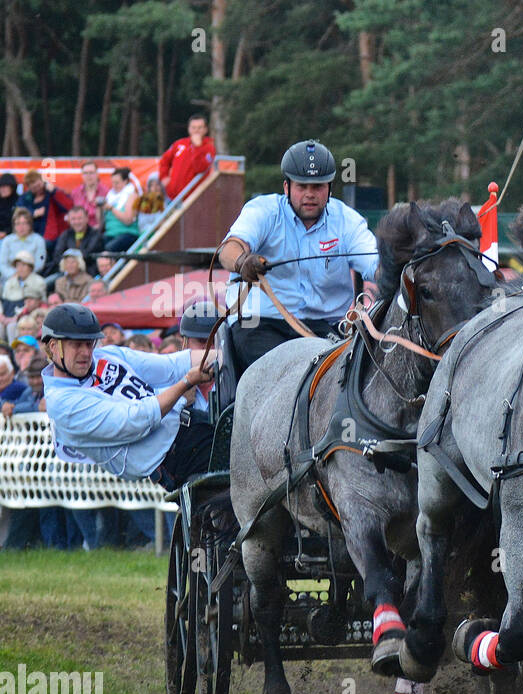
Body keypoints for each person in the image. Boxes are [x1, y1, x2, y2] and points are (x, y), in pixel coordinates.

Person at [217, 139, 378, 369]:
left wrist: (400, 269)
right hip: (261, 325)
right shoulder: (263, 211)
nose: (310, 194)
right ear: (286, 187)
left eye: (318, 187)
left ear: (330, 188)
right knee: (283, 373)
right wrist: (243, 262)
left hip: (326, 329)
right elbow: (228, 250)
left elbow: (376, 263)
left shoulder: (347, 221)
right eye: (302, 186)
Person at [39, 303, 216, 490]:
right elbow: (136, 420)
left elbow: (170, 366)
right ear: (54, 347)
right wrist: (186, 383)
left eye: (89, 343)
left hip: (196, 427)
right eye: (76, 345)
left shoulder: (106, 355)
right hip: (179, 460)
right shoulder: (62, 403)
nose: (86, 352)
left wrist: (225, 352)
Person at [17, 170, 74, 261]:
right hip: (31, 234)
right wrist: (33, 213)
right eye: (32, 186)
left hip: (52, 235)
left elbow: (69, 206)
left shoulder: (52, 193)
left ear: (42, 181)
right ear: (29, 187)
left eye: (37, 183)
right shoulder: (26, 198)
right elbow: (18, 211)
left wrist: (55, 191)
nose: (36, 187)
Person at [159, 114, 216, 200]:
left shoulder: (209, 148)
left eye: (200, 127)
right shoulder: (179, 143)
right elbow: (164, 160)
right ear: (189, 129)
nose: (196, 130)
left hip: (193, 199)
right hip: (171, 196)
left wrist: (197, 147)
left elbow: (200, 168)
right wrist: (164, 177)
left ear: (205, 129)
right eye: (193, 127)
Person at [101, 167, 141, 253]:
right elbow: (101, 223)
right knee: (95, 246)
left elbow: (128, 220)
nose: (114, 186)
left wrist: (111, 208)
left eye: (117, 183)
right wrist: (99, 208)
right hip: (109, 234)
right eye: (113, 183)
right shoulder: (110, 197)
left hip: (127, 235)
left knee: (109, 250)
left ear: (125, 181)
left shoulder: (132, 196)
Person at [0, 208, 46, 280]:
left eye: (24, 223)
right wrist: (14, 275)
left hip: (32, 278)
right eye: (18, 223)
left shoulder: (39, 240)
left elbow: (40, 261)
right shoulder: (7, 241)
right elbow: (2, 264)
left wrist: (25, 274)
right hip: (9, 278)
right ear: (14, 225)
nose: (21, 227)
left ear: (30, 224)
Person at [2, 250, 45, 317]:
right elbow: (4, 302)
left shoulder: (39, 281)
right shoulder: (9, 283)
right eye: (18, 265)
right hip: (8, 315)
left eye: (24, 265)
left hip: (31, 316)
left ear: (30, 267)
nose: (20, 268)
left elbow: (43, 303)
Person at [69, 161, 110, 230]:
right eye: (85, 173)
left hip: (101, 231)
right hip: (80, 231)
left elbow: (109, 216)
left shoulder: (106, 192)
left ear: (97, 174)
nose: (88, 176)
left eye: (91, 173)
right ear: (82, 175)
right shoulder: (75, 192)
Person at [0, 173, 17, 237]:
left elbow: (20, 222)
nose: (2, 189)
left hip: (13, 235)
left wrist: (6, 232)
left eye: (5, 186)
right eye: (1, 186)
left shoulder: (19, 201)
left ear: (12, 187)